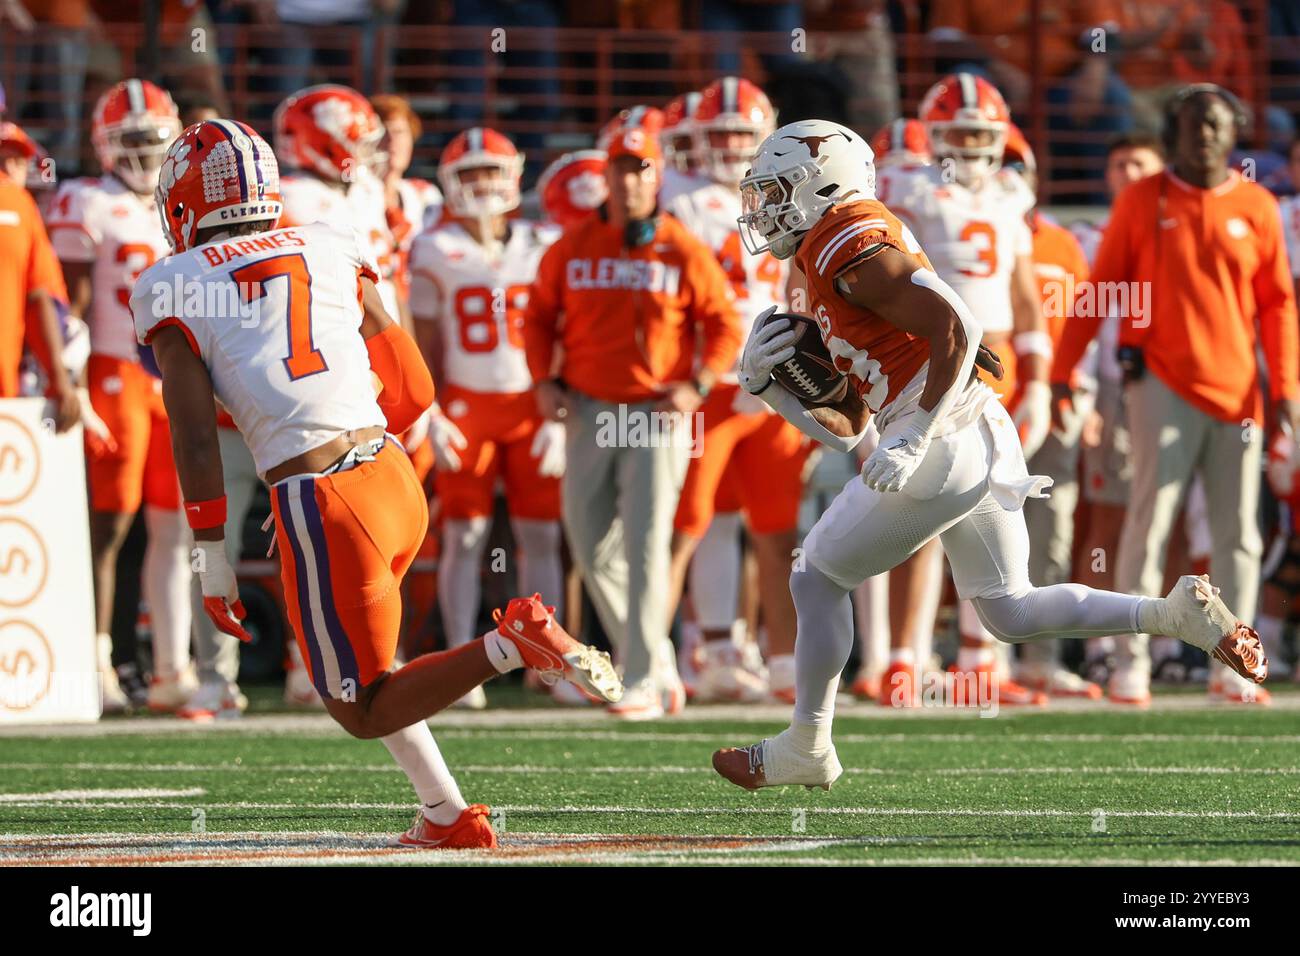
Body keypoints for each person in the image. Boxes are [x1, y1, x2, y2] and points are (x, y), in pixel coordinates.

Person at [712, 118, 1266, 790]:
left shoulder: (841, 238)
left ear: (820, 183)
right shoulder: (825, 253)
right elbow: (853, 426)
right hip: (970, 428)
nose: (764, 208)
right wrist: (775, 395)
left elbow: (957, 324)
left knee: (816, 576)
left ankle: (808, 743)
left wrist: (914, 433)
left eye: (775, 191)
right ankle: (1172, 615)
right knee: (1011, 609)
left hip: (940, 436)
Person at [132, 118, 621, 847]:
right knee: (371, 665)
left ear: (183, 205)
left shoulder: (172, 281)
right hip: (392, 479)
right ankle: (447, 814)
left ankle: (514, 644)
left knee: (360, 707)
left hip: (324, 497)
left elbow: (195, 432)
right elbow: (416, 389)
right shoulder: (328, 242)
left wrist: (216, 550)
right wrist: (343, 443)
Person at [1052, 85, 1299, 706]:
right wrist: (1061, 368)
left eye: (1215, 124)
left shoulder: (1258, 206)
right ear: (1174, 133)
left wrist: (1287, 388)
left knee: (1238, 531)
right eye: (1193, 124)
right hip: (1159, 380)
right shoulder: (1144, 198)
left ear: (1234, 131)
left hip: (1239, 389)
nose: (1205, 135)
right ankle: (1130, 660)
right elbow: (1100, 285)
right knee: (1148, 521)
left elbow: (1277, 305)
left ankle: (1234, 664)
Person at [523, 119, 743, 719]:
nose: (629, 180)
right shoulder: (573, 245)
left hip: (653, 413)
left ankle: (642, 675)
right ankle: (657, 657)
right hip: (590, 408)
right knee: (590, 543)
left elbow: (724, 322)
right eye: (620, 167)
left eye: (641, 168)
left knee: (647, 544)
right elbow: (538, 315)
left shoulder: (679, 245)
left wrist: (697, 383)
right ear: (606, 174)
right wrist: (543, 378)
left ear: (657, 176)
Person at [876, 73, 1051, 706]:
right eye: (960, 132)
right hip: (935, 361)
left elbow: (1026, 297)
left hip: (999, 367)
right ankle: (901, 661)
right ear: (936, 135)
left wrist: (1044, 380)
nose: (972, 144)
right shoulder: (908, 185)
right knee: (921, 514)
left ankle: (980, 668)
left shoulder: (1009, 194)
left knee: (995, 508)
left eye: (982, 133)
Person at [45, 80, 192, 714]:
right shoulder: (85, 201)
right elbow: (67, 305)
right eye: (128, 141)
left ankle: (170, 666)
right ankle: (97, 658)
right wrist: (71, 377)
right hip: (113, 373)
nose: (141, 153)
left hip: (175, 375)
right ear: (104, 146)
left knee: (176, 525)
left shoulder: (184, 202)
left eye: (151, 140)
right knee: (108, 525)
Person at [408, 127, 564, 709]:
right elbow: (426, 340)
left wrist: (560, 410)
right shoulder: (432, 247)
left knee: (541, 534)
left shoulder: (543, 241)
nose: (479, 184)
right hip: (468, 405)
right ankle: (459, 664)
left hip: (530, 404)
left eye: (488, 171)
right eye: (466, 173)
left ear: (513, 175)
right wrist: (432, 407)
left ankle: (549, 660)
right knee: (465, 534)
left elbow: (561, 330)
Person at [663, 76, 807, 703]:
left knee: (776, 529)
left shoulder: (794, 189)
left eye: (738, 134)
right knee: (693, 524)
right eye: (716, 134)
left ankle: (781, 658)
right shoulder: (681, 198)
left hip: (780, 377)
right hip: (714, 381)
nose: (726, 147)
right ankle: (678, 655)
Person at [1002, 124, 1101, 699]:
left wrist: (1081, 391)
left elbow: (1082, 327)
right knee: (973, 529)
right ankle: (981, 660)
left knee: (1051, 531)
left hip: (1053, 400)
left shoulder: (1064, 245)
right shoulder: (957, 230)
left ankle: (1041, 656)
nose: (1010, 177)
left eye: (1020, 166)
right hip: (984, 401)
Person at [1066, 130, 1165, 699]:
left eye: (1139, 164)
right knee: (1107, 516)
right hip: (1110, 384)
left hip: (1170, 383)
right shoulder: (1089, 236)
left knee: (1163, 515)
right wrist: (1075, 383)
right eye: (1119, 163)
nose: (1128, 173)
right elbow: (1075, 315)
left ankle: (1166, 636)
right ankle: (1101, 637)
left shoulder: (1172, 227)